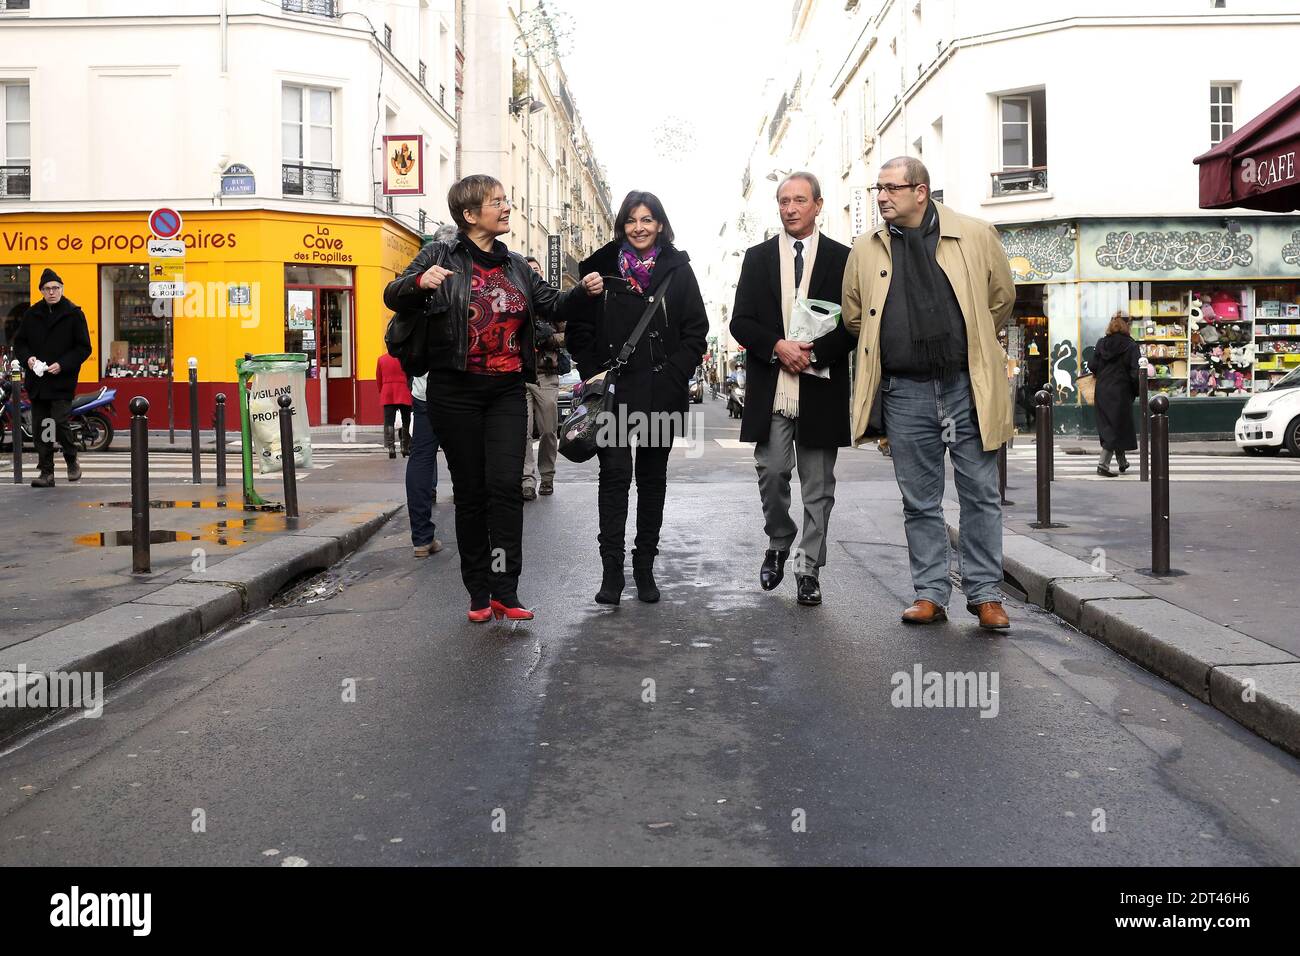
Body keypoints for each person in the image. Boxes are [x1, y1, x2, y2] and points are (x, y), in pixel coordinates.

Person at [383, 175, 599, 622]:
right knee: (472, 492)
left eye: (505, 200)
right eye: (496, 202)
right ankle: (478, 593)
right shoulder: (441, 254)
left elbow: (551, 305)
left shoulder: (517, 265)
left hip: (504, 392)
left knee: (505, 489)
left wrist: (581, 293)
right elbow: (392, 294)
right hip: (453, 391)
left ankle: (506, 589)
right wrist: (420, 282)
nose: (506, 208)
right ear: (469, 214)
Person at [842, 157, 1016, 631]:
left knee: (979, 492)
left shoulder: (975, 235)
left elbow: (1000, 300)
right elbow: (856, 316)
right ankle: (930, 594)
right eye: (877, 188)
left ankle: (984, 595)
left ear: (921, 192)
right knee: (919, 500)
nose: (881, 197)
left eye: (891, 188)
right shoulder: (866, 248)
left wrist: (968, 339)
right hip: (903, 390)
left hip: (965, 384)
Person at [563, 190, 708, 605]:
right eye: (631, 220)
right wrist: (594, 371)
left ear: (660, 224)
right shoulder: (599, 270)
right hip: (614, 393)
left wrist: (675, 372)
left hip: (661, 391)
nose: (639, 227)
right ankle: (612, 573)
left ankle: (644, 567)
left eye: (647, 219)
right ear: (621, 225)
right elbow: (579, 330)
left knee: (651, 479)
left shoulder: (678, 269)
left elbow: (696, 330)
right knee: (613, 478)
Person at [729, 172, 853, 608]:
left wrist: (813, 353)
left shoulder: (843, 257)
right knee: (773, 470)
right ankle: (779, 540)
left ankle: (808, 568)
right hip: (773, 385)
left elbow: (854, 323)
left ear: (818, 205)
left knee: (818, 486)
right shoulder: (758, 257)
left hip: (821, 388)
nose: (790, 208)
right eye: (783, 200)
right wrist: (777, 347)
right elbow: (740, 321)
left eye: (799, 200)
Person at [13, 269, 92, 488]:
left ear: (62, 289)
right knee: (42, 427)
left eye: (55, 288)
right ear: (41, 291)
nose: (52, 292)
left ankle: (71, 457)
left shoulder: (73, 313)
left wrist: (63, 364)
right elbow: (20, 343)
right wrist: (28, 359)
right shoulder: (32, 314)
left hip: (61, 381)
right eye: (47, 289)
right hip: (38, 381)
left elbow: (83, 348)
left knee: (59, 421)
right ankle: (47, 472)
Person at [520, 256, 564, 500]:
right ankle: (527, 480)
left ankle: (547, 476)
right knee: (522, 431)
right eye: (528, 270)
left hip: (547, 375)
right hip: (520, 375)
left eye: (535, 270)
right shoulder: (514, 300)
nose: (532, 273)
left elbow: (569, 334)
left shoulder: (550, 300)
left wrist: (548, 338)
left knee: (548, 430)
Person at [1091, 311, 1140, 477]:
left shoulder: (1102, 343)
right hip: (1121, 390)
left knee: (1112, 424)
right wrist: (1136, 390)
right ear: (1127, 325)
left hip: (1102, 389)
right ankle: (1102, 465)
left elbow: (1092, 365)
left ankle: (1122, 462)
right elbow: (1135, 372)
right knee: (1116, 426)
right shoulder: (1131, 346)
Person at [375, 351, 413, 458]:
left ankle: (391, 448)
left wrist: (381, 391)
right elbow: (410, 375)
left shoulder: (381, 359)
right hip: (403, 390)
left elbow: (379, 378)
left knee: (389, 421)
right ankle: (404, 447)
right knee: (406, 420)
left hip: (388, 391)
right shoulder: (405, 357)